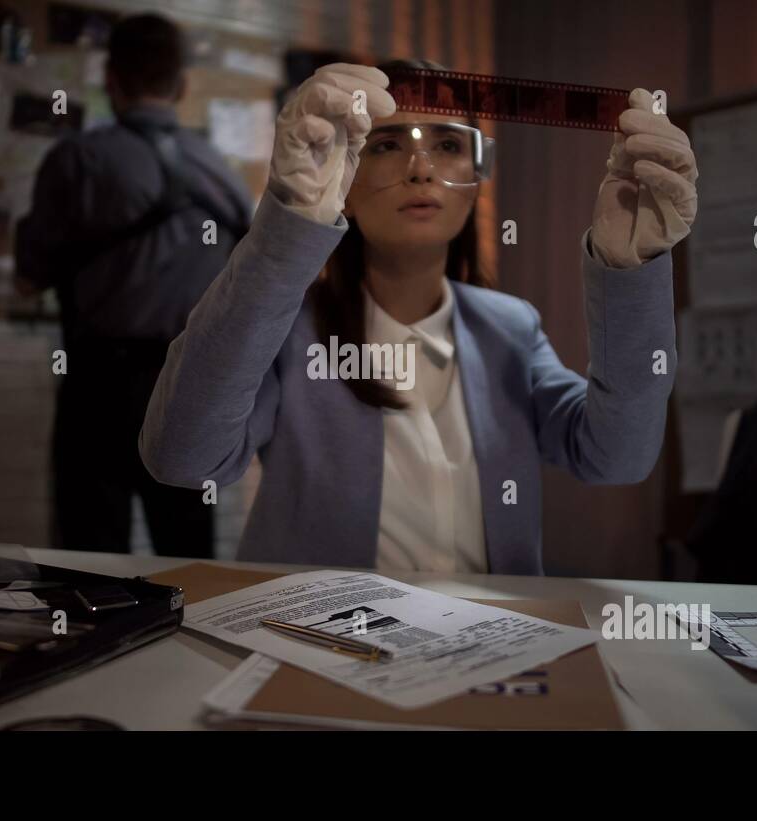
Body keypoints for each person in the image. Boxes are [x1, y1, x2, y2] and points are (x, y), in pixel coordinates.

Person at [139, 60, 697, 574]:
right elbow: (184, 458)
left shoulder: (511, 328)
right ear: (345, 184)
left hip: (490, 650)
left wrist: (631, 271)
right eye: (385, 145)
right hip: (318, 649)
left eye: (449, 144)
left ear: (476, 180)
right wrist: (285, 229)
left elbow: (617, 457)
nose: (420, 169)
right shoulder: (288, 330)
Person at [15, 14, 251, 556]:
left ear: (111, 80)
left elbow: (29, 279)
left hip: (97, 383)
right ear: (183, 85)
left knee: (90, 559)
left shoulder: (77, 158)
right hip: (193, 388)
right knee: (188, 556)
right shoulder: (226, 175)